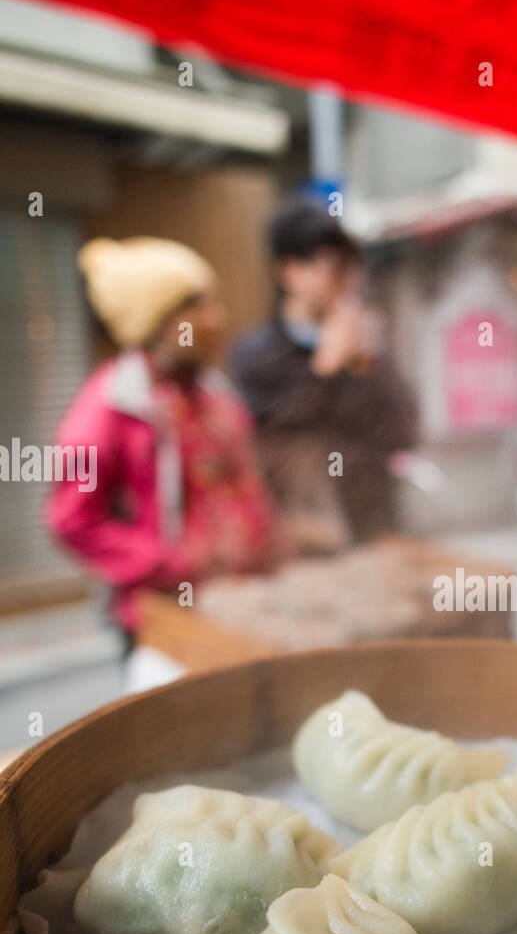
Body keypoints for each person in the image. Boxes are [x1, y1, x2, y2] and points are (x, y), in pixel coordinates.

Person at [48, 237, 282, 642]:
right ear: (153, 321)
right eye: (196, 305)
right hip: (166, 620)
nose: (215, 319)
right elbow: (74, 520)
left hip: (242, 606)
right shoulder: (111, 408)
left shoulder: (213, 393)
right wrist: (171, 562)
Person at [231, 199, 418, 545]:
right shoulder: (257, 353)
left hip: (374, 531)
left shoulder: (365, 347)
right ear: (290, 271)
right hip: (298, 540)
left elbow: (403, 432)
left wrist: (372, 364)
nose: (348, 282)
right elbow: (269, 440)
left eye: (354, 268)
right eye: (335, 268)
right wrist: (325, 369)